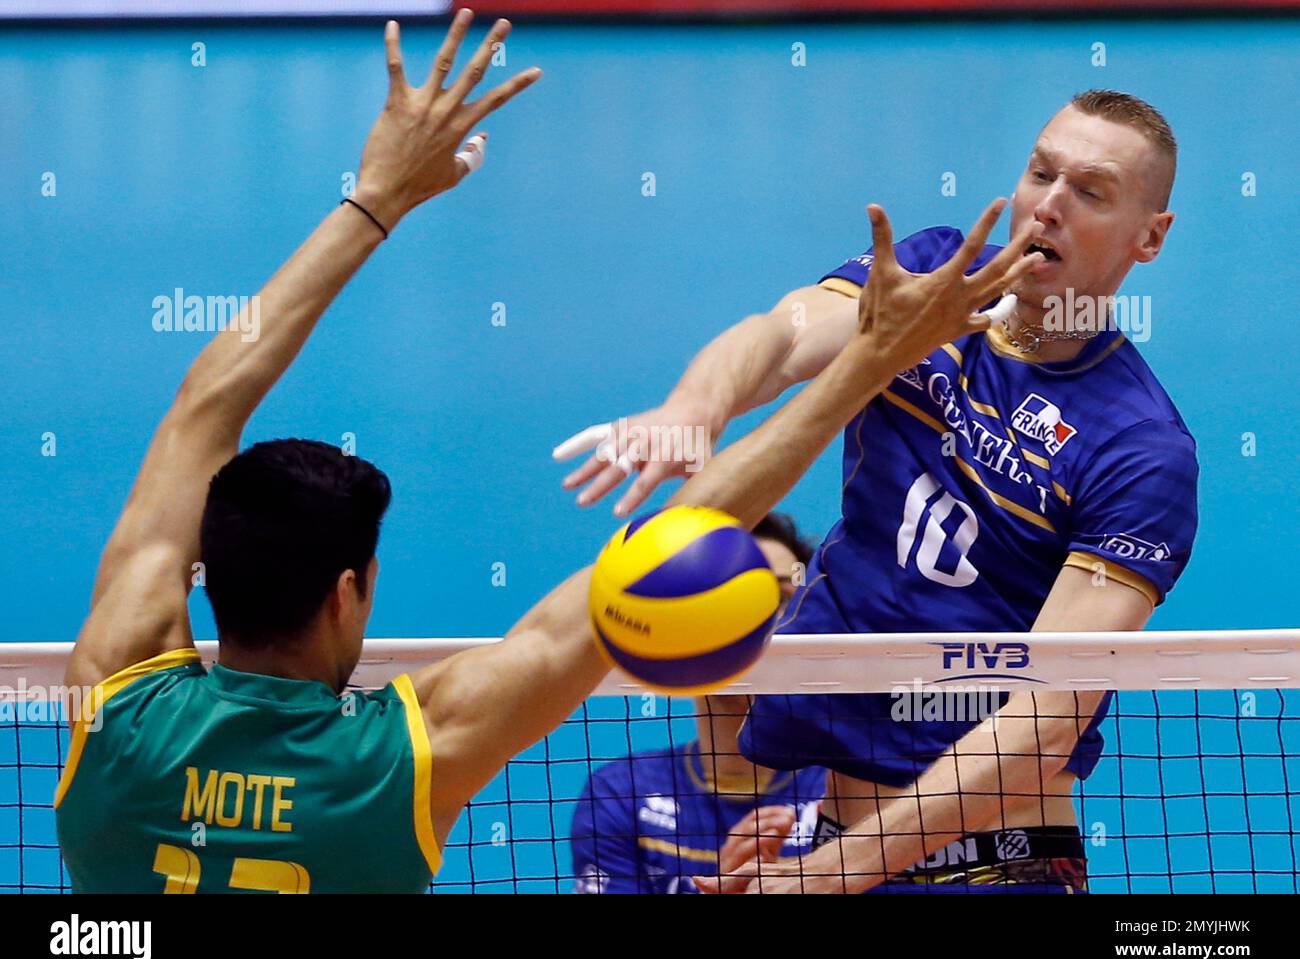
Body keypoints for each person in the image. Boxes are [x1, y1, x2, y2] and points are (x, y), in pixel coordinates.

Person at [53, 9, 1041, 892]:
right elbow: (669, 544)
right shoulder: (405, 754)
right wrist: (870, 363)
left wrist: (373, 202)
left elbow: (198, 409)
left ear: (202, 576)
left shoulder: (116, 701)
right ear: (349, 592)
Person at [559, 92, 1198, 893]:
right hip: (831, 837)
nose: (1049, 206)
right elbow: (787, 333)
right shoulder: (932, 277)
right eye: (1040, 174)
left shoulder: (1142, 448)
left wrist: (830, 875)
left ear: (1152, 236)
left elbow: (1045, 720)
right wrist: (696, 405)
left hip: (995, 870)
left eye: (1091, 192)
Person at [570, 514, 824, 894]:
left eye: (783, 598)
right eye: (732, 597)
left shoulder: (843, 789)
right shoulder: (622, 795)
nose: (756, 621)